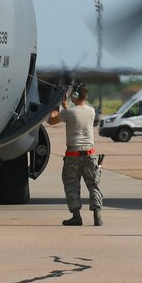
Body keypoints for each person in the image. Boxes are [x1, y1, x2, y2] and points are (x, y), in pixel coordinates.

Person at [48, 83, 103, 226]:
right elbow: (74, 115)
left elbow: (52, 120)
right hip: (90, 154)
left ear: (75, 96)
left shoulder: (69, 112)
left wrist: (55, 106)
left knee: (71, 184)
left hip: (73, 154)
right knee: (93, 184)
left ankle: (76, 216)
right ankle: (97, 214)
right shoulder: (91, 111)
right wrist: (66, 107)